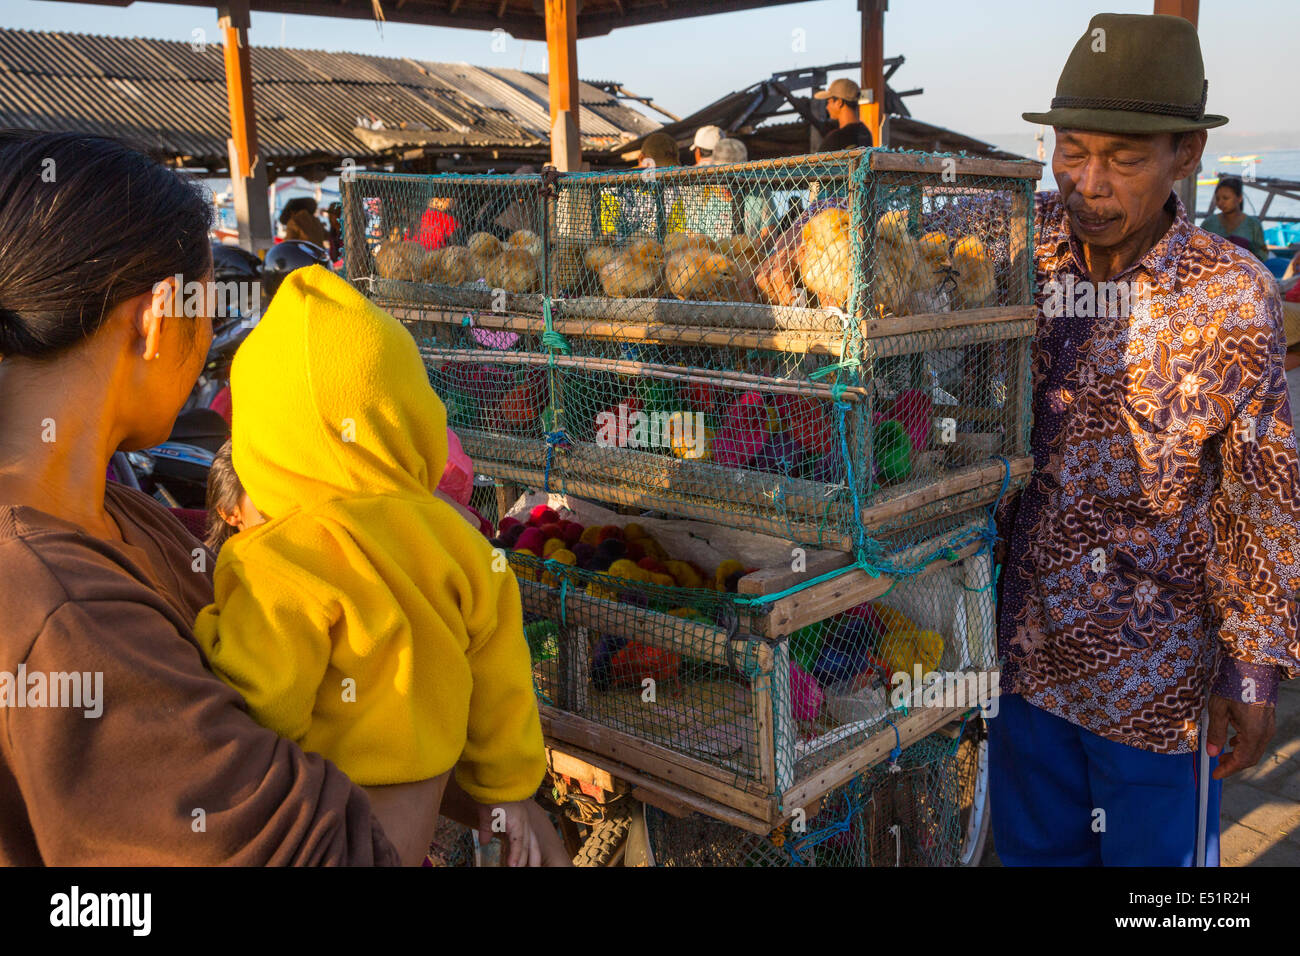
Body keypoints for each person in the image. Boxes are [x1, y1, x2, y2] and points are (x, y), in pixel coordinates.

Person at [0, 130, 569, 866]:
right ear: (154, 317)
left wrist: (492, 797)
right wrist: (429, 694)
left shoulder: (119, 518)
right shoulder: (60, 613)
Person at [993, 13, 1298, 867]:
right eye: (1071, 150)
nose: (1089, 183)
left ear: (1187, 154)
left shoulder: (1232, 295)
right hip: (1020, 663)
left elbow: (1260, 490)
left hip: (1155, 684)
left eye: (1125, 160)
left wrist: (1251, 670)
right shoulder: (1017, 243)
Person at [191, 266, 548, 866]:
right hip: (417, 820)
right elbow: (503, 682)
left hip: (329, 832)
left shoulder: (278, 557)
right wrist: (506, 792)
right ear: (406, 407)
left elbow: (264, 704)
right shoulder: (457, 541)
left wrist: (203, 631)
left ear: (261, 438)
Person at [1201, 176, 1269, 260]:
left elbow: (1262, 253)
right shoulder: (1209, 223)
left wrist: (1249, 261)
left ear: (1239, 198)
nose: (1220, 203)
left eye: (1225, 198)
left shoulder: (1253, 225)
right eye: (1217, 199)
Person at [814, 77, 874, 151]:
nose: (827, 107)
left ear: (839, 102)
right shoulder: (866, 134)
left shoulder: (835, 139)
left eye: (829, 102)